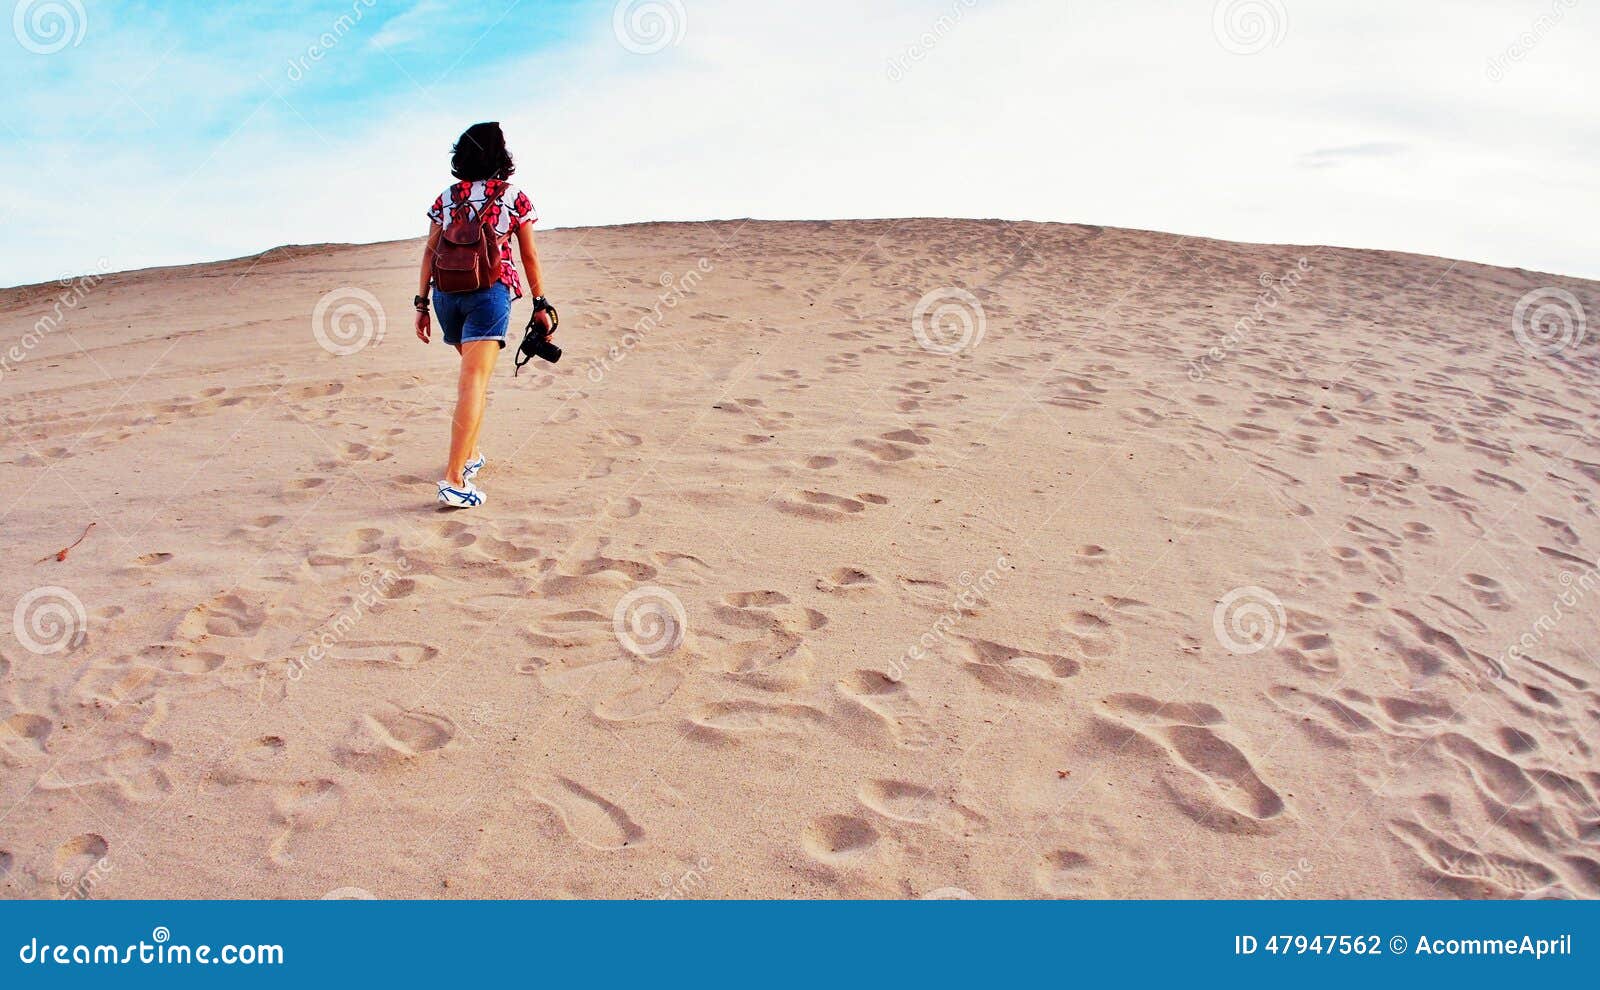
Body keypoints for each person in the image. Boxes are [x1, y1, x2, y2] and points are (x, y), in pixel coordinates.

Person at [413, 121, 555, 508]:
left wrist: (422, 303)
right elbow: (529, 256)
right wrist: (541, 303)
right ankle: (454, 478)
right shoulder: (514, 198)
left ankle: (470, 455)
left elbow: (429, 252)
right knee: (473, 383)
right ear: (500, 155)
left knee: (472, 380)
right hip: (488, 293)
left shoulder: (446, 198)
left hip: (446, 296)